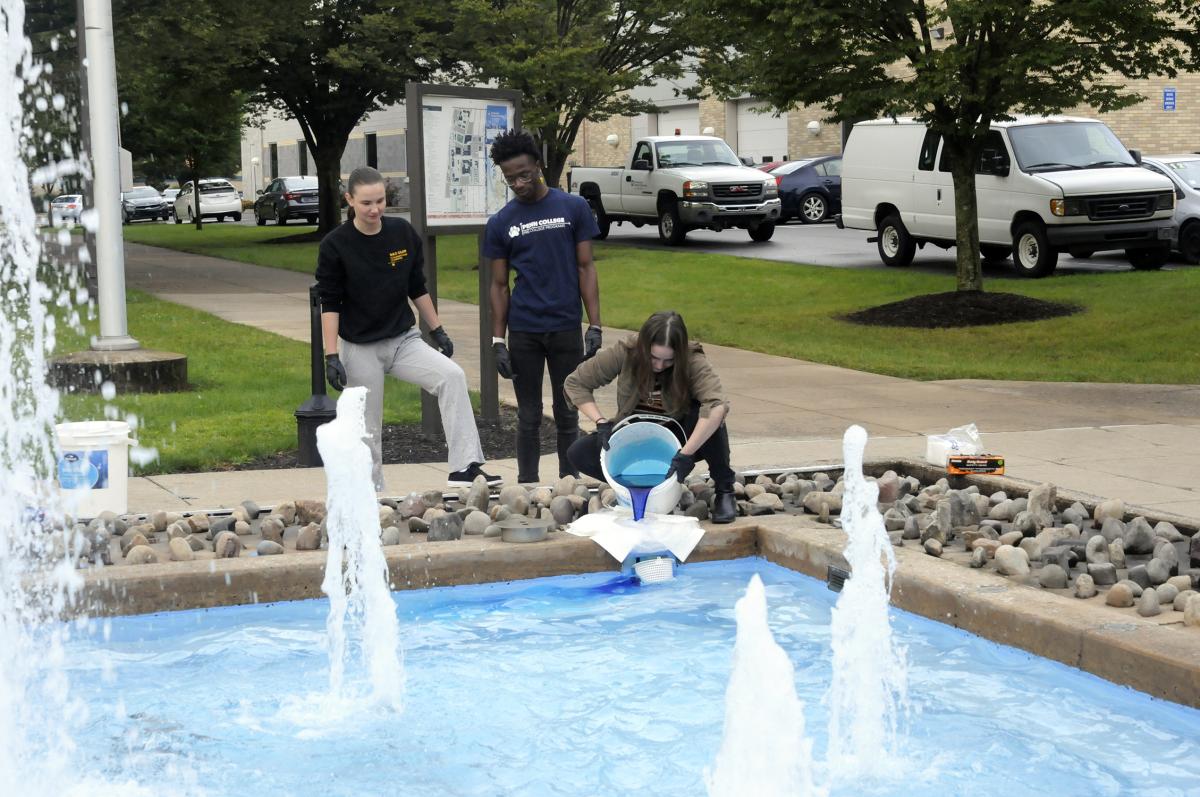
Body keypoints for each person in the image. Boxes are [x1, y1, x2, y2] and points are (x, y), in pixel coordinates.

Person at [316, 166, 499, 491]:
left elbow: (417, 286)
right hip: (360, 347)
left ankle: (464, 467)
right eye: (366, 203)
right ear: (349, 200)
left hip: (403, 340)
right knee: (368, 426)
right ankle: (371, 493)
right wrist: (332, 356)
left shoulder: (402, 233)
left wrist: (437, 329)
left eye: (380, 201)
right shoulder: (335, 245)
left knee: (452, 377)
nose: (374, 210)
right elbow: (329, 303)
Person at [485, 129, 603, 485]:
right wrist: (498, 341)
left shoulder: (573, 207)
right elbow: (499, 285)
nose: (519, 183)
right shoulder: (501, 222)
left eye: (524, 173)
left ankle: (570, 483)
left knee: (568, 412)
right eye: (510, 178)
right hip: (525, 331)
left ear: (537, 164)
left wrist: (595, 324)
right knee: (529, 415)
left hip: (565, 327)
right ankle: (527, 487)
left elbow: (586, 267)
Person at [563, 311, 738, 524]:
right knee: (579, 453)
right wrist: (600, 422)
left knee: (710, 417)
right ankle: (644, 490)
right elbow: (576, 382)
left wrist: (686, 454)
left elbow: (716, 404)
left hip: (679, 436)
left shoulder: (693, 360)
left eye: (668, 361)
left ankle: (725, 490)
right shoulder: (625, 352)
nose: (658, 366)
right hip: (634, 433)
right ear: (643, 347)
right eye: (653, 358)